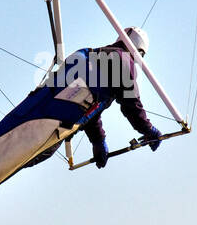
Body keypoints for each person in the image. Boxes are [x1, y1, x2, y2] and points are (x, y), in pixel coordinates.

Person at [69, 27, 162, 169]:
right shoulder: (123, 59)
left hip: (53, 110)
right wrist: (148, 129)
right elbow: (131, 103)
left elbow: (90, 104)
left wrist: (98, 139)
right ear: (139, 52)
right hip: (59, 121)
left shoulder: (97, 54)